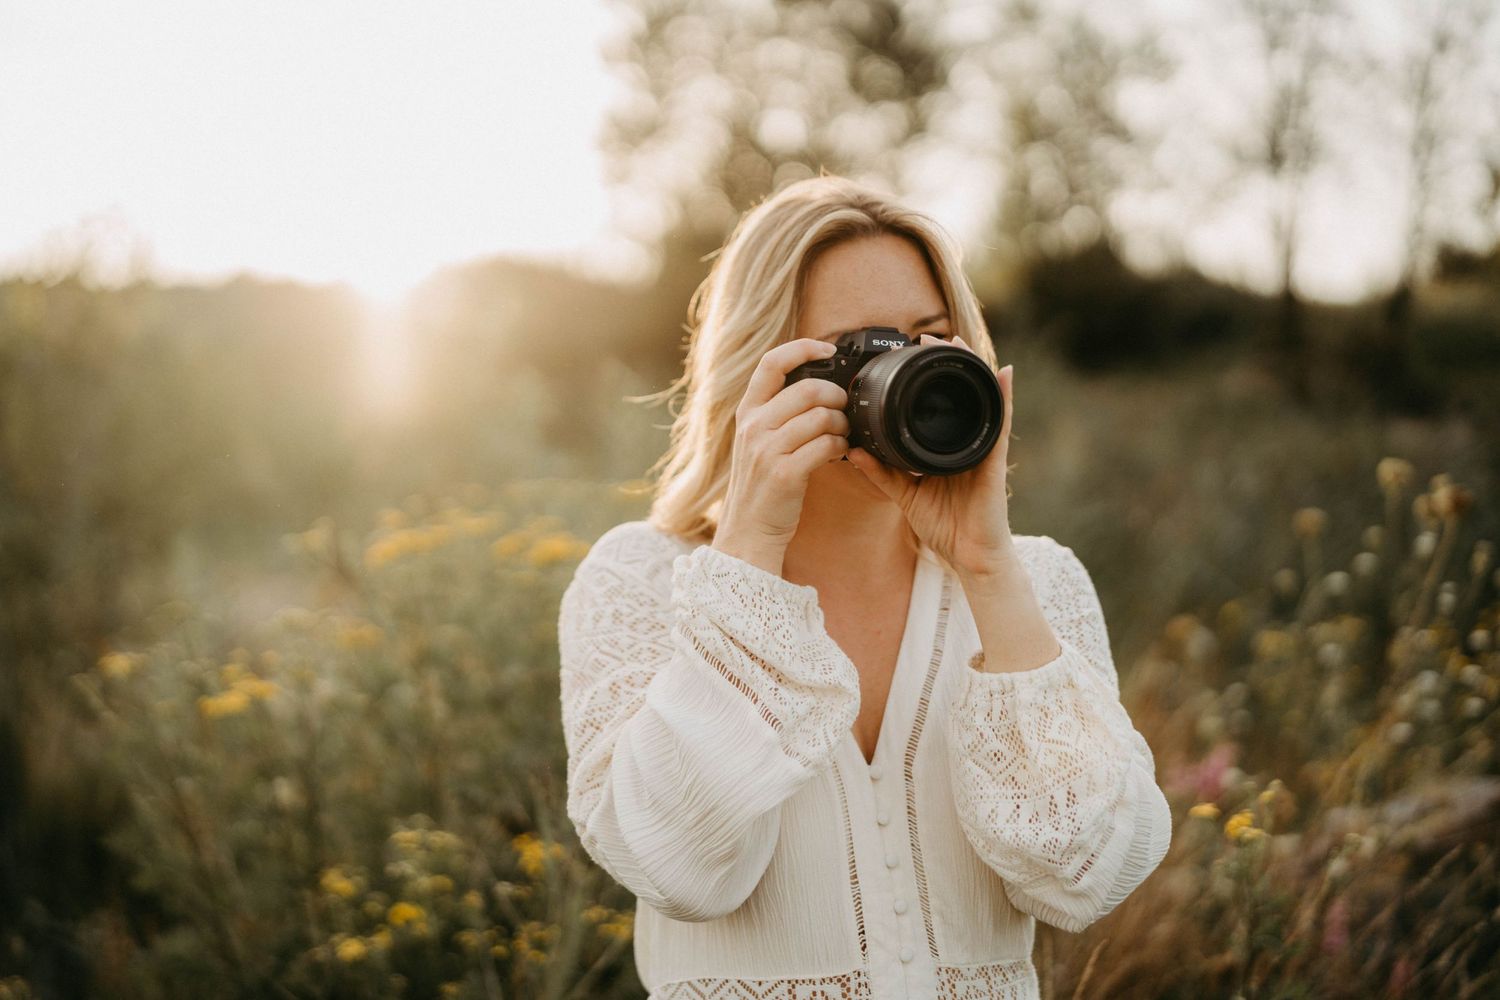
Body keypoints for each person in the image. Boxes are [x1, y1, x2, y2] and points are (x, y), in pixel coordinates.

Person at [557, 175, 1173, 999]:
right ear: (758, 371)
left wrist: (990, 571)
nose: (906, 374)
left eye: (930, 339)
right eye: (860, 351)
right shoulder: (641, 581)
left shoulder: (1039, 583)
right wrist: (749, 552)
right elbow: (674, 865)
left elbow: (1086, 876)